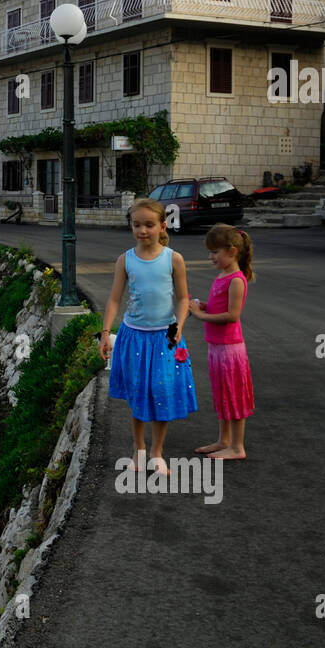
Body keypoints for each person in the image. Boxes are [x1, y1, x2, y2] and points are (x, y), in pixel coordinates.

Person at [99, 197, 197, 475]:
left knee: (162, 392)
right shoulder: (125, 260)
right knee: (139, 393)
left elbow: (182, 298)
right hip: (134, 337)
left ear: (162, 225)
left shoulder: (173, 259)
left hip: (164, 338)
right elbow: (115, 299)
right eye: (137, 225)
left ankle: (157, 451)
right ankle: (139, 448)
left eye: (149, 225)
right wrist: (106, 332)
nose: (142, 230)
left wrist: (178, 326)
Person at [188, 224, 255, 461]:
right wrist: (203, 305)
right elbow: (220, 307)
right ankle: (224, 440)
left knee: (234, 394)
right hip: (216, 347)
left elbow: (232, 316)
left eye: (215, 251)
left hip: (230, 349)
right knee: (222, 393)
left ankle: (237, 447)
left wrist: (200, 315)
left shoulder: (236, 280)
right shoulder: (222, 276)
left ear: (232, 251)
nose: (210, 256)